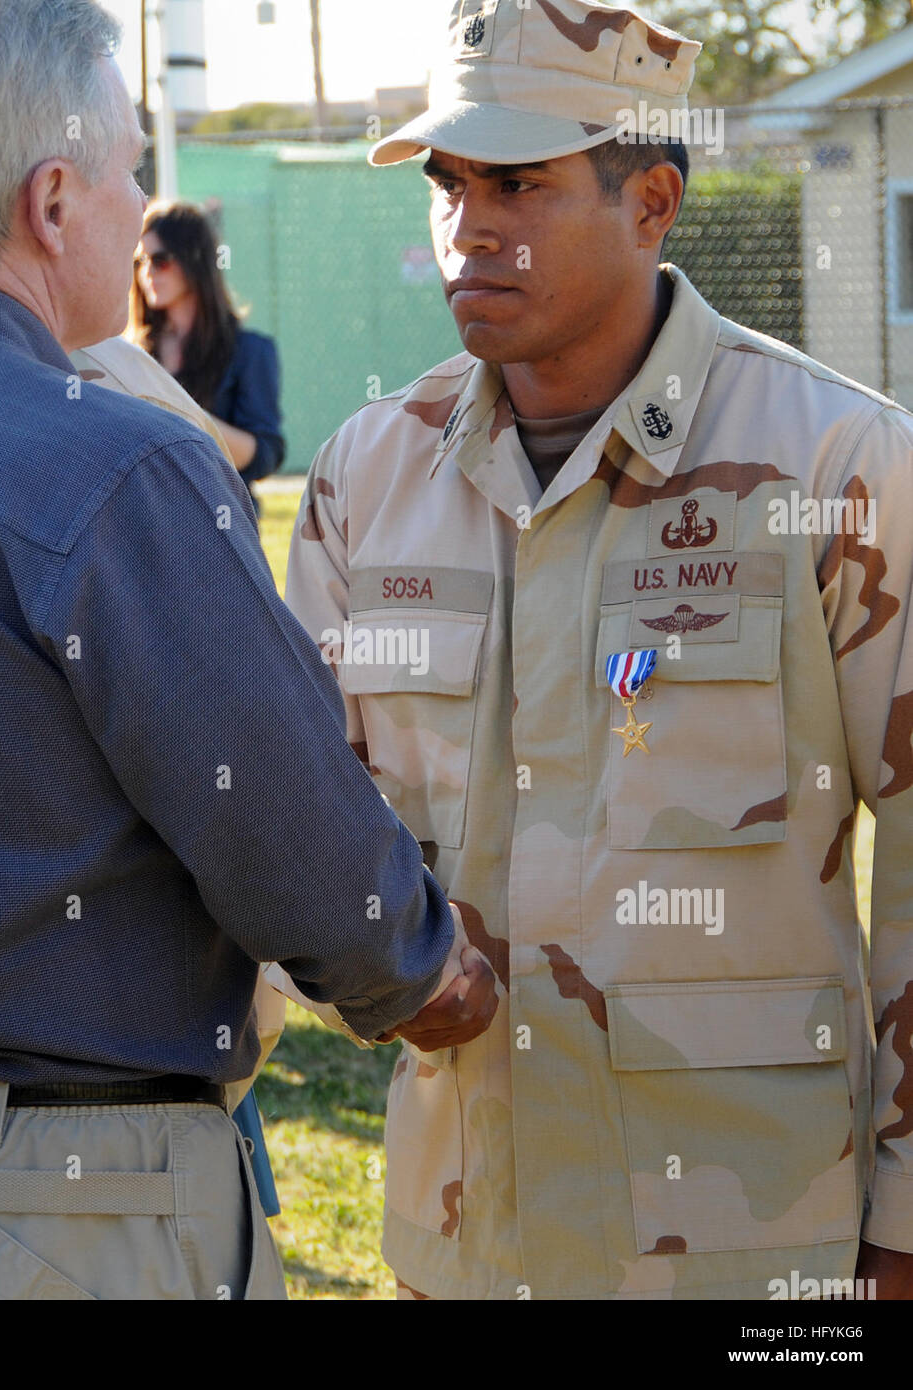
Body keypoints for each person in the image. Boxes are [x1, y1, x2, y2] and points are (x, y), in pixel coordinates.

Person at [0, 0, 497, 1301]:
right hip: (70, 1211)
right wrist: (429, 971)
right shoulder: (112, 464)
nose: (145, 207)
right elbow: (295, 839)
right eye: (131, 170)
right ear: (51, 203)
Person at [286, 0, 913, 1300]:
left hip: (751, 1256)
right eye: (447, 184)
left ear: (652, 203)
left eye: (518, 182)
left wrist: (907, 1222)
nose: (468, 226)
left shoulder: (835, 465)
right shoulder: (368, 479)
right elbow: (303, 817)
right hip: (466, 1242)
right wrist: (375, 967)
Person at [129, 200, 285, 518]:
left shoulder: (249, 350)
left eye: (160, 260)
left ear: (194, 260)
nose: (147, 272)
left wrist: (183, 415)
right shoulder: (134, 352)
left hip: (219, 521)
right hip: (146, 523)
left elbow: (265, 455)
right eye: (140, 261)